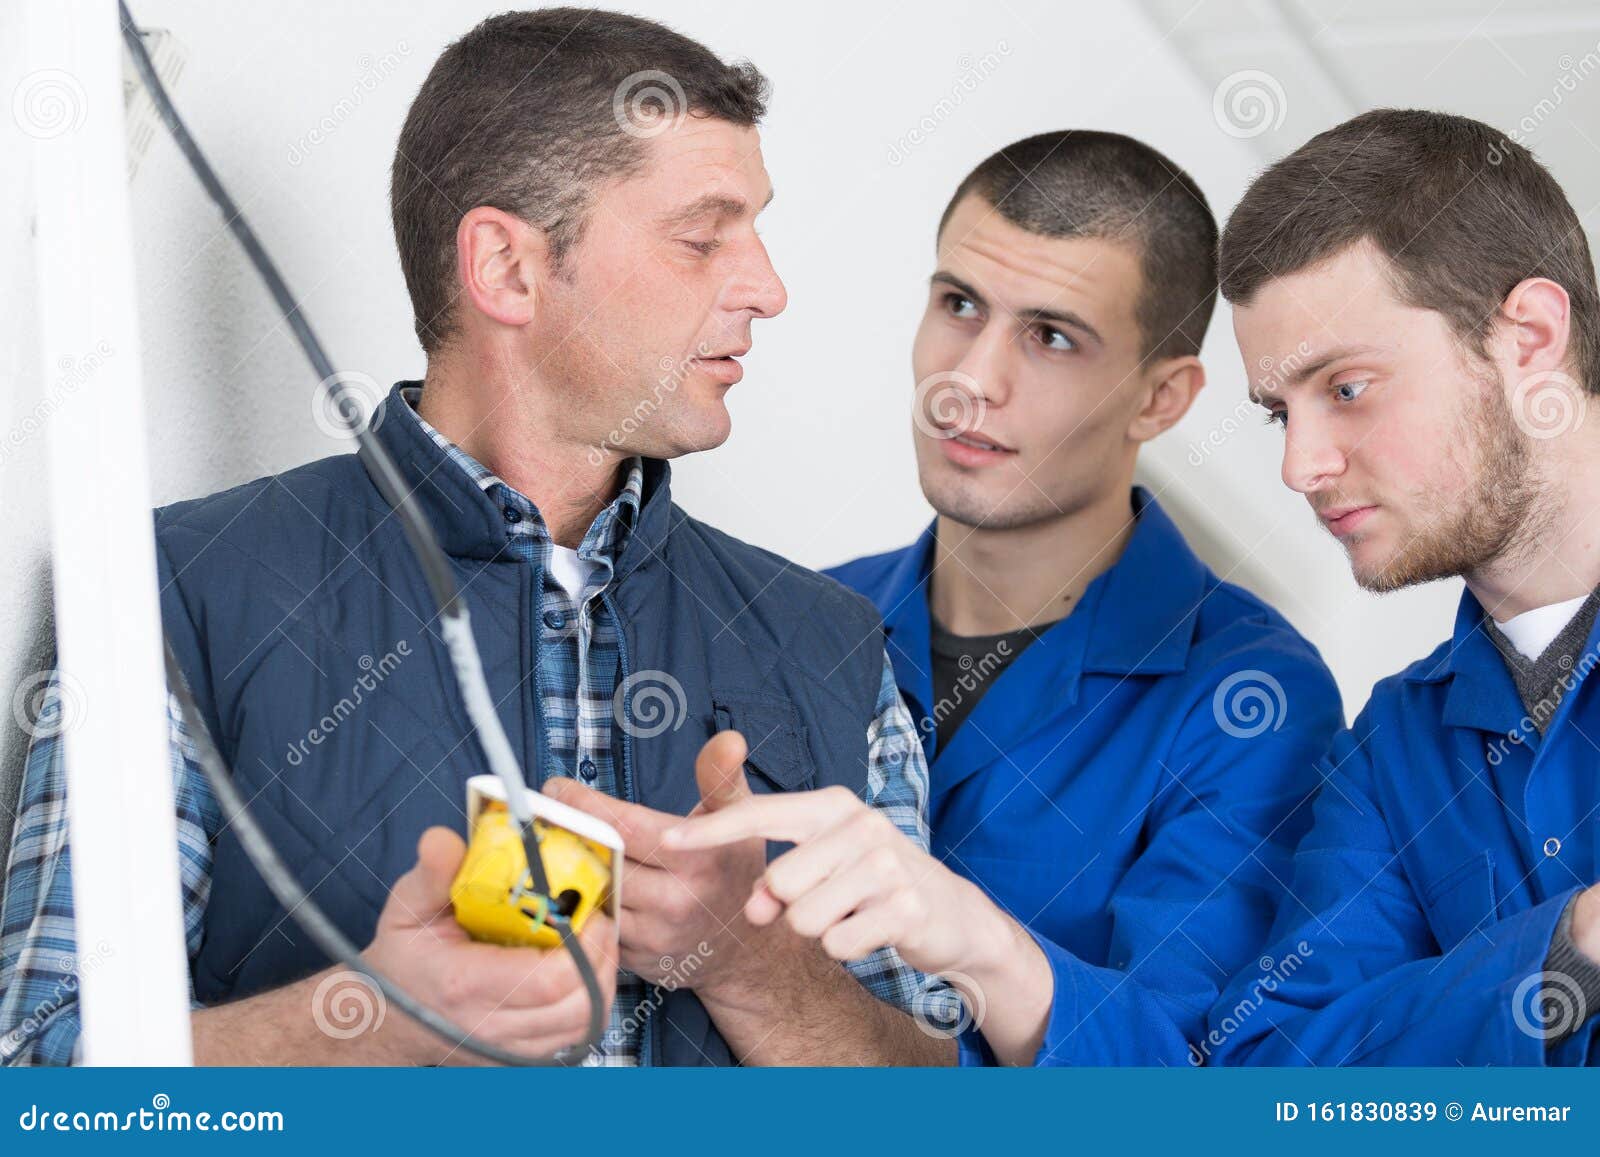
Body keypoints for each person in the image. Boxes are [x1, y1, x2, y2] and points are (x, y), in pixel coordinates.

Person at [0, 7, 956, 1067]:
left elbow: (940, 1102)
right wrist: (369, 1015)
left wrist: (745, 963)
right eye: (702, 237)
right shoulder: (174, 598)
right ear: (505, 269)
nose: (768, 289)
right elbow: (41, 1081)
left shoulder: (835, 647)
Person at [664, 131, 1343, 1065]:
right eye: (959, 305)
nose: (971, 381)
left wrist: (982, 947)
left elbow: (1189, 1079)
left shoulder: (1253, 703)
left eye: (1052, 335)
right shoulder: (793, 620)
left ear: (1162, 399)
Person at [1209, 108, 1600, 1065]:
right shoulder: (1391, 752)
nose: (1300, 466)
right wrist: (1573, 946)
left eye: (1345, 388)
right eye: (1278, 415)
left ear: (1530, 339)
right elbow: (1275, 1077)